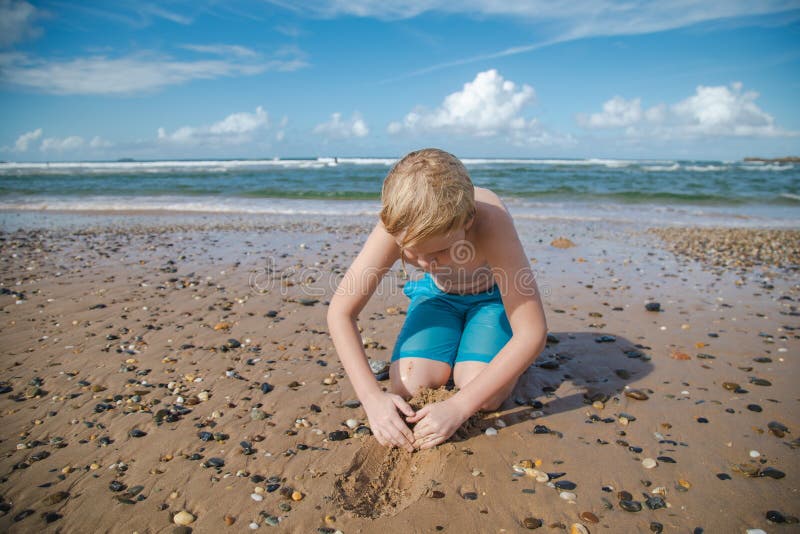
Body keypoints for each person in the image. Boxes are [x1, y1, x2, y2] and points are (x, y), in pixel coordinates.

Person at [327, 148, 547, 452]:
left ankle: (496, 357)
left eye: (439, 252)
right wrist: (371, 399)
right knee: (407, 385)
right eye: (411, 252)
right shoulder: (398, 223)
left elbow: (532, 332)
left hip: (493, 300)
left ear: (467, 220)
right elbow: (340, 312)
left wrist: (459, 406)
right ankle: (462, 341)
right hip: (439, 296)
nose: (424, 263)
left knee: (481, 393)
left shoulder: (490, 222)